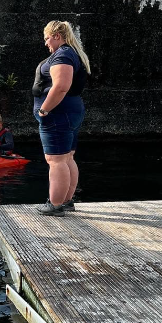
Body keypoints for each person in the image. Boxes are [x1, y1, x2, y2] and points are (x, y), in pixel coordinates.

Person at [32, 20, 91, 215]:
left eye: (47, 38)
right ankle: (66, 201)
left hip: (58, 113)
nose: (46, 43)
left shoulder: (63, 55)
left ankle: (56, 204)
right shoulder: (71, 53)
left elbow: (61, 86)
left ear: (57, 36)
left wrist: (44, 110)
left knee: (55, 160)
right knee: (66, 157)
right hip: (69, 111)